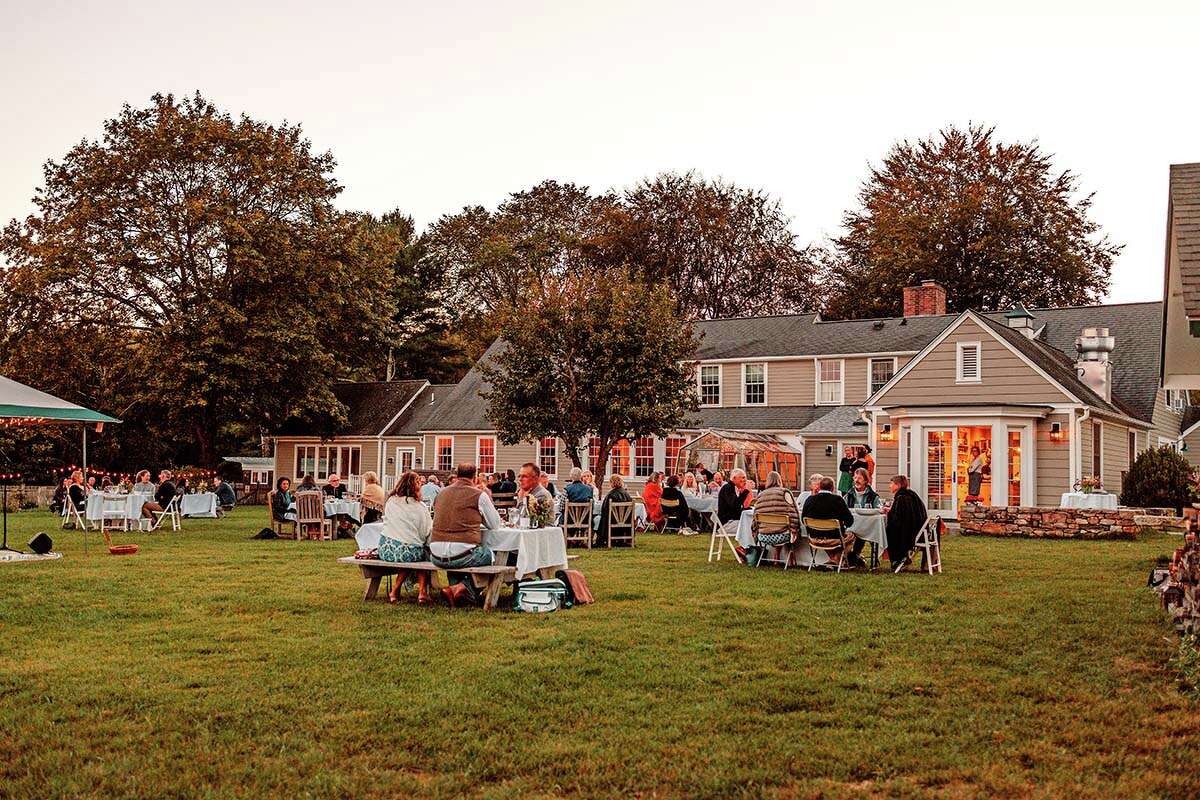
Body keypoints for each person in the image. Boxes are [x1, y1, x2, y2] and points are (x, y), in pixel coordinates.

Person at [430, 463, 501, 607]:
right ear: (474, 478)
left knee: (459, 558)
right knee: (489, 555)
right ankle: (463, 587)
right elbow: (494, 524)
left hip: (436, 555)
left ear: (456, 475)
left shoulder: (441, 493)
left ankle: (456, 592)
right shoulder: (478, 495)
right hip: (461, 553)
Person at [380, 471, 433, 604]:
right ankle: (422, 592)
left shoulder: (391, 501)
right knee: (421, 555)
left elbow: (386, 521)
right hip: (407, 551)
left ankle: (395, 591)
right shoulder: (420, 506)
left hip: (386, 549)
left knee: (411, 552)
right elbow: (426, 531)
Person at [801, 476, 860, 568]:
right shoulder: (838, 500)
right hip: (834, 538)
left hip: (814, 538)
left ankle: (832, 561)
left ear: (819, 487)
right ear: (833, 488)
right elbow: (850, 521)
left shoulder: (810, 500)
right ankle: (836, 559)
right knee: (853, 535)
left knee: (826, 533)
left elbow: (803, 519)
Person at [749, 471, 802, 564]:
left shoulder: (761, 495)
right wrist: (795, 528)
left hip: (764, 536)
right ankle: (791, 559)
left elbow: (755, 516)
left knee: (777, 526)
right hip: (783, 535)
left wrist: (754, 530)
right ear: (779, 480)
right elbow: (794, 512)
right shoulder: (785, 493)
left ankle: (776, 556)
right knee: (788, 528)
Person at [884, 475, 927, 573]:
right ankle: (902, 560)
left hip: (910, 533)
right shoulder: (911, 495)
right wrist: (891, 510)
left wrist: (889, 513)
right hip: (920, 530)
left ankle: (899, 559)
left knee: (888, 531)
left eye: (891, 483)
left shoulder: (902, 498)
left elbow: (899, 519)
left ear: (898, 485)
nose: (889, 486)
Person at [595, 474, 634, 546]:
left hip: (613, 522)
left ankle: (603, 540)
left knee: (600, 518)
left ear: (611, 483)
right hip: (626, 522)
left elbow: (605, 511)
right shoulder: (626, 494)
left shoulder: (611, 495)